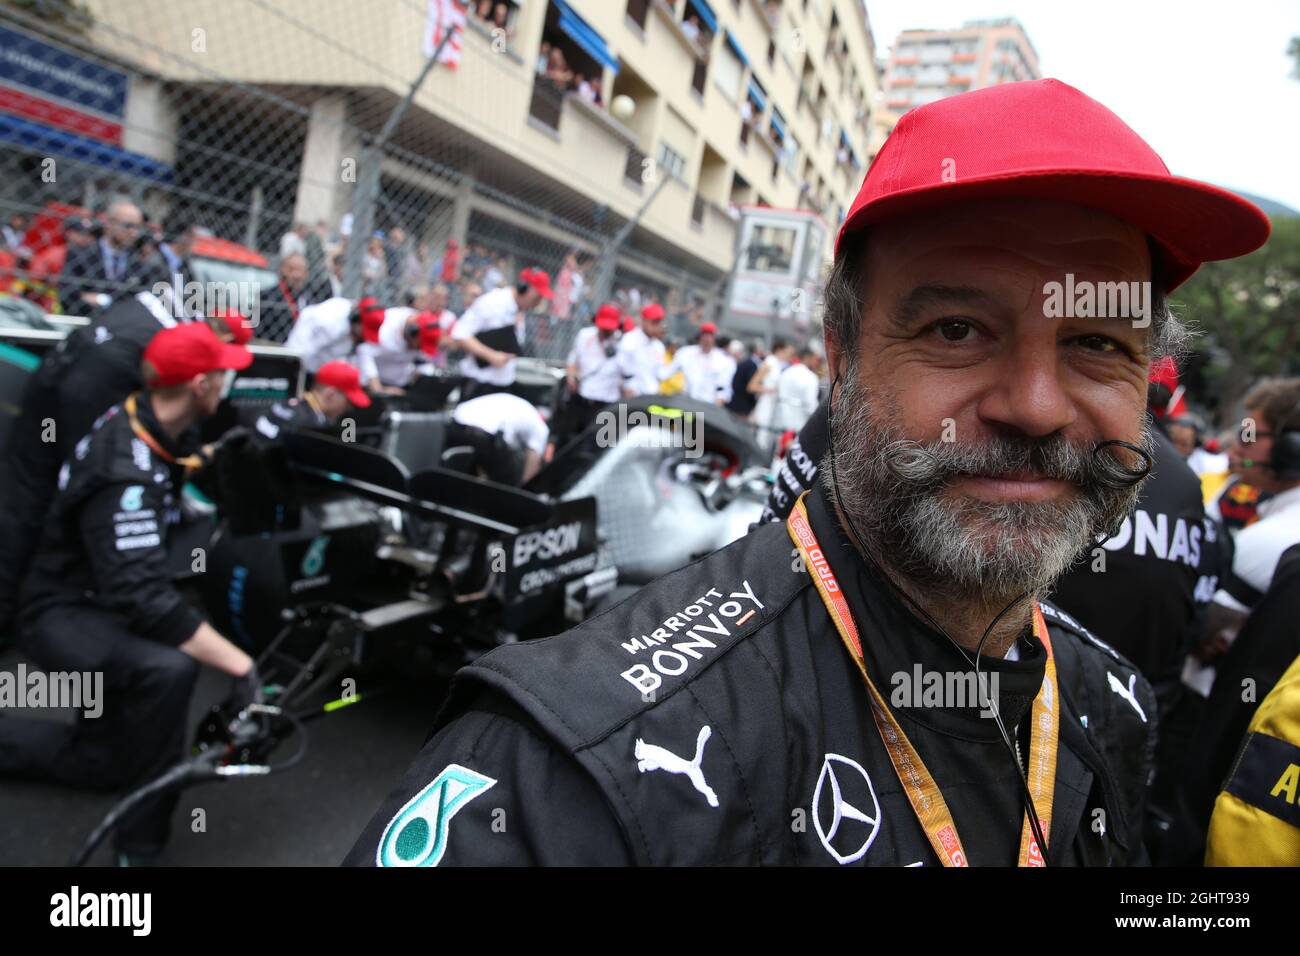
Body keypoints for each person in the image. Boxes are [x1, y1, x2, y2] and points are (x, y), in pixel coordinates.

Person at [346, 79, 1272, 866]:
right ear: (840, 359)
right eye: (957, 330)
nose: (1035, 405)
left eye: (1099, 343)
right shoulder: (573, 780)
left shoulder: (1109, 698)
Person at [0, 323, 257, 864]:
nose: (228, 381)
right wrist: (238, 665)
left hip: (92, 593)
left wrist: (209, 456)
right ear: (200, 386)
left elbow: (168, 466)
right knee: (168, 669)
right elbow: (141, 597)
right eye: (222, 374)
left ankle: (106, 758)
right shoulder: (127, 474)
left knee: (105, 760)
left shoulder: (141, 415)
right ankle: (140, 845)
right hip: (60, 609)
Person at [0, 279, 191, 636]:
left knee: (27, 503)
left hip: (68, 389)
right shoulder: (153, 336)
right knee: (34, 509)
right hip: (71, 408)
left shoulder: (144, 314)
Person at [452, 268, 552, 398]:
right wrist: (491, 356)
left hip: (502, 385)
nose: (538, 302)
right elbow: (460, 334)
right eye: (537, 297)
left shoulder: (519, 311)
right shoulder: (493, 302)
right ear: (524, 288)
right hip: (479, 384)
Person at [58, 196, 144, 314]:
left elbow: (139, 304)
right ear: (109, 223)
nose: (134, 233)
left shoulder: (138, 264)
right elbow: (68, 296)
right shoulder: (81, 254)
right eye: (128, 226)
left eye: (138, 227)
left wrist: (100, 299)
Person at [249, 359, 372, 439]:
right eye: (348, 401)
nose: (349, 408)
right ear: (330, 394)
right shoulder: (314, 428)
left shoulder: (288, 403)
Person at [448, 391, 549, 485]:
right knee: (505, 479)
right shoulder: (542, 428)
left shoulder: (524, 407)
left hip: (455, 423)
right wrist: (524, 491)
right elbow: (533, 460)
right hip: (485, 433)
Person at [561, 303, 623, 442]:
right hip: (582, 398)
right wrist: (571, 377)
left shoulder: (622, 343)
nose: (606, 331)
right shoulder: (584, 335)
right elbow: (572, 361)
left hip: (607, 403)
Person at [284, 295, 379, 373]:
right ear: (356, 319)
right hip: (303, 349)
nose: (363, 335)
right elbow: (305, 354)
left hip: (322, 355)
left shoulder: (348, 312)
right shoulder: (330, 323)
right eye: (364, 329)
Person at [356, 307, 442, 392]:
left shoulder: (419, 322)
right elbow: (363, 352)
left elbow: (423, 360)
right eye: (419, 345)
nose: (420, 349)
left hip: (402, 383)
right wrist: (380, 390)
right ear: (411, 332)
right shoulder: (384, 332)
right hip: (375, 382)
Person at [662, 322, 735, 405]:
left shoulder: (724, 360)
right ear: (700, 336)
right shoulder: (686, 353)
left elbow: (723, 388)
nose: (707, 339)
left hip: (708, 405)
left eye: (710, 336)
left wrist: (716, 405)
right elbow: (665, 373)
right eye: (704, 335)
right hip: (686, 402)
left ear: (714, 338)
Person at [750, 338, 794, 448]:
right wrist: (769, 390)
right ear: (779, 350)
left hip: (773, 406)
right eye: (786, 352)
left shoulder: (778, 364)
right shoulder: (769, 363)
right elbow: (752, 386)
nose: (787, 355)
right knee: (761, 436)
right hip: (765, 404)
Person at [617, 302, 667, 398]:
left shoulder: (659, 346)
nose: (657, 326)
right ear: (644, 321)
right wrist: (627, 388)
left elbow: (659, 373)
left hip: (651, 397)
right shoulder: (629, 339)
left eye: (659, 322)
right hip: (632, 397)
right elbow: (621, 369)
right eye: (654, 322)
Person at [258, 252, 310, 343]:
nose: (296, 275)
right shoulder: (267, 296)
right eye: (291, 269)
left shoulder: (309, 298)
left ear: (306, 273)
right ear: (283, 270)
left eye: (300, 270)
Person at [771, 346, 822, 435]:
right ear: (808, 358)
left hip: (779, 422)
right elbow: (811, 406)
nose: (817, 363)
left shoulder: (786, 372)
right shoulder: (811, 377)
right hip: (799, 427)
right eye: (815, 359)